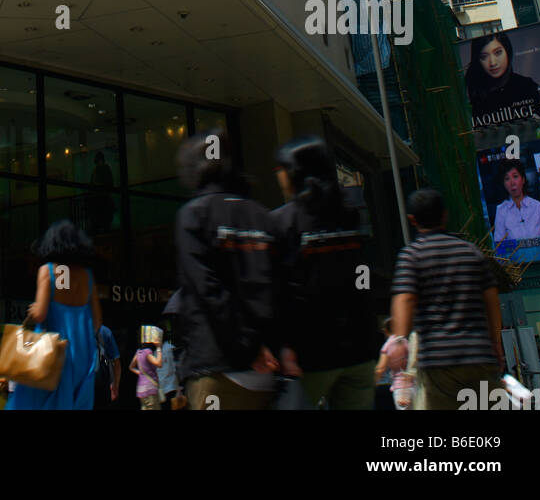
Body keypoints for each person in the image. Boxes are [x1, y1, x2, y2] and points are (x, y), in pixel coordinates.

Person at [271, 136, 380, 410]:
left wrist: (283, 345)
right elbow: (365, 277)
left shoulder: (282, 223)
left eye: (280, 169)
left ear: (293, 173)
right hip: (362, 349)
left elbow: (279, 291)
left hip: (312, 352)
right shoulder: (351, 216)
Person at [174, 128, 278, 411]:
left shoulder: (193, 215)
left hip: (217, 366)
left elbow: (208, 290)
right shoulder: (261, 215)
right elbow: (280, 286)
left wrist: (248, 347)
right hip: (268, 370)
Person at [388, 187, 506, 411]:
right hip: (479, 356)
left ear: (412, 220)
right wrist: (495, 343)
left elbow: (405, 300)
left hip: (438, 363)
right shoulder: (471, 252)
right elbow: (491, 300)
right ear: (445, 215)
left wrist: (399, 342)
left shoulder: (411, 256)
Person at [7, 220, 100, 410]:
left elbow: (40, 314)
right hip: (83, 353)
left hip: (54, 351)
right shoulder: (87, 276)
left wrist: (34, 310)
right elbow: (97, 322)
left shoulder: (50, 271)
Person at [464, 33, 540, 124]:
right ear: (478, 60)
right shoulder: (474, 93)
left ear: (507, 51)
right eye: (484, 57)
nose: (492, 63)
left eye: (498, 52)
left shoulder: (526, 85)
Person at [492, 159, 540, 244]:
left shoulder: (537, 206)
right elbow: (499, 247)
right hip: (517, 257)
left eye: (515, 176)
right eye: (507, 178)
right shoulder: (501, 210)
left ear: (523, 180)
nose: (512, 183)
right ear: (504, 184)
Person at [129, 328, 162, 410]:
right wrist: (159, 348)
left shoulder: (138, 352)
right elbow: (159, 363)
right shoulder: (147, 352)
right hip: (150, 389)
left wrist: (141, 373)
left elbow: (131, 367)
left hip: (141, 390)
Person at [94, 322, 121, 408]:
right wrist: (115, 386)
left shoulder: (73, 330)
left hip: (81, 385)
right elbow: (116, 363)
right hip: (100, 384)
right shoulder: (104, 331)